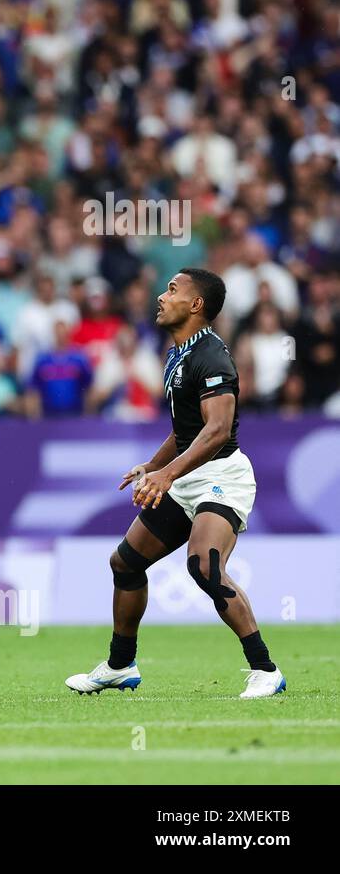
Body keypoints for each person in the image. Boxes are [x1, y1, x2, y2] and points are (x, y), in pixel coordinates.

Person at [66, 268, 285, 700]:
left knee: (203, 565)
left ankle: (265, 670)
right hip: (186, 474)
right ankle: (119, 665)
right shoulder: (177, 354)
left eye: (172, 289)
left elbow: (218, 430)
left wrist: (167, 474)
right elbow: (187, 429)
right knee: (125, 564)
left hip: (221, 476)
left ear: (196, 304)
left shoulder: (212, 356)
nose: (162, 297)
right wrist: (153, 464)